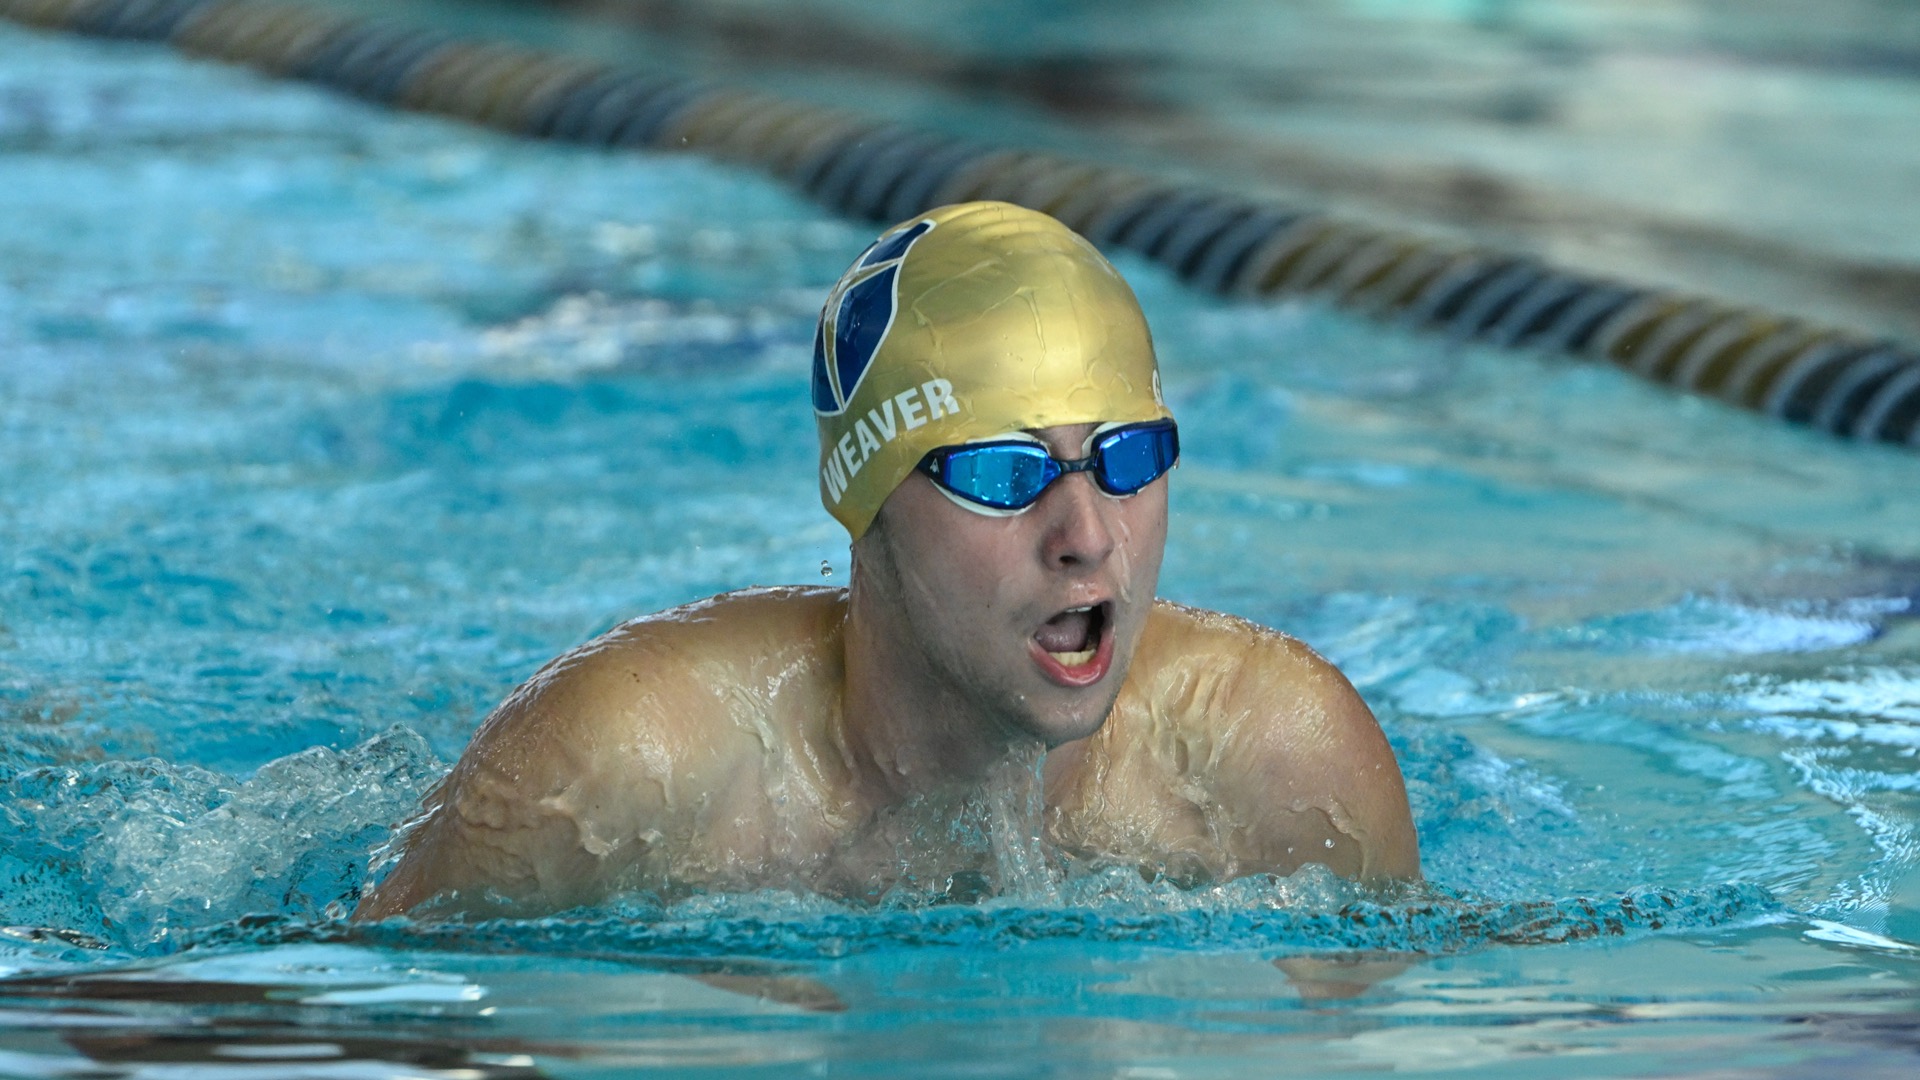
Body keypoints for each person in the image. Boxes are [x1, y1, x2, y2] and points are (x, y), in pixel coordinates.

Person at [354, 201, 1419, 921]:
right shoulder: (624, 771)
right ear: (869, 500)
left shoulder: (1279, 767)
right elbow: (352, 1020)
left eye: (1127, 456)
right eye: (1004, 473)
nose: (1089, 534)